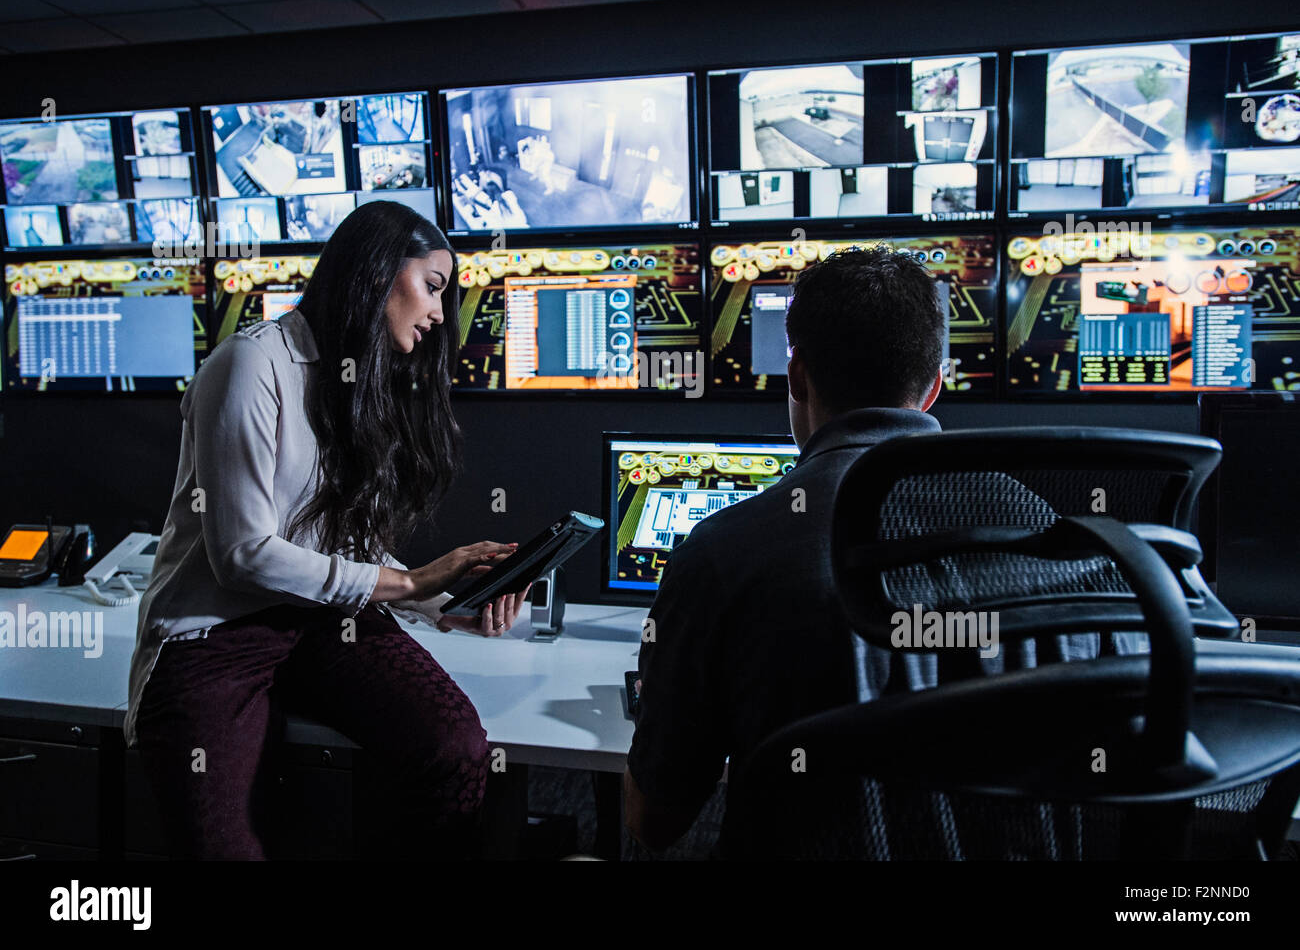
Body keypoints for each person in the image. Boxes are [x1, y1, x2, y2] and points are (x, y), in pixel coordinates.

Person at [624, 245, 1144, 857]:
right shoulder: (1075, 549)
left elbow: (654, 822)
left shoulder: (722, 555)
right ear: (933, 389)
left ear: (796, 377)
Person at [125, 200, 528, 861]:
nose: (438, 314)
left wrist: (444, 605)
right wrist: (409, 581)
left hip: (319, 622)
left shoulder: (363, 383)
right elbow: (242, 556)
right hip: (218, 635)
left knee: (453, 748)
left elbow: (344, 547)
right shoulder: (251, 364)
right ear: (375, 274)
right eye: (431, 286)